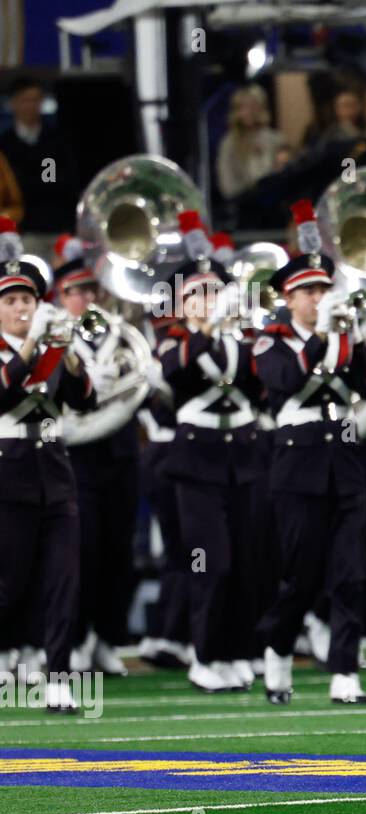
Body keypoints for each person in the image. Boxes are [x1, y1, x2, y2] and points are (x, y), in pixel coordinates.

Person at [253, 200, 366, 705]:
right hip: (297, 461)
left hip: (345, 460)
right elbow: (284, 384)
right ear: (289, 297)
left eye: (322, 289)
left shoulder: (343, 338)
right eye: (308, 291)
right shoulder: (272, 340)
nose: (317, 298)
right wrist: (326, 342)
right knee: (299, 576)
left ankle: (345, 672)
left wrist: (356, 340)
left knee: (350, 572)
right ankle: (279, 650)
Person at [157, 212, 266, 692]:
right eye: (196, 294)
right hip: (196, 460)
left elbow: (265, 386)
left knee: (245, 562)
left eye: (213, 292)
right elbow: (177, 375)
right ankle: (203, 654)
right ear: (181, 303)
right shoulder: (174, 341)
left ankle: (236, 651)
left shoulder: (243, 341)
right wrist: (206, 330)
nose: (206, 301)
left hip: (241, 456)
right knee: (210, 560)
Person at [0, 218, 95, 711]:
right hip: (7, 471)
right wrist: (34, 348)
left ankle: (58, 677)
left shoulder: (53, 346)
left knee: (62, 580)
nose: (22, 308)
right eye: (11, 300)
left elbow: (84, 401)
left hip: (55, 473)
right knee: (10, 581)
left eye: (28, 300)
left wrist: (71, 355)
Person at [52, 239, 135, 678]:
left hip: (119, 453)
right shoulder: (53, 339)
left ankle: (106, 637)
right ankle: (78, 637)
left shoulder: (121, 335)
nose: (85, 298)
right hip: (75, 456)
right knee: (83, 550)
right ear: (60, 298)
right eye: (74, 292)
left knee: (119, 552)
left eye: (90, 290)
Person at [0, 76, 76, 232]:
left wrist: (30, 181)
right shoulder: (4, 145)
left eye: (35, 100)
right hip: (18, 228)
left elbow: (55, 181)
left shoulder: (56, 141)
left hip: (55, 224)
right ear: (13, 103)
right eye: (24, 100)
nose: (30, 106)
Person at [216, 85, 286, 203]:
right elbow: (227, 187)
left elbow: (283, 176)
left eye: (253, 106)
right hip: (244, 208)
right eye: (242, 107)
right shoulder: (228, 144)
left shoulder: (276, 139)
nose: (248, 112)